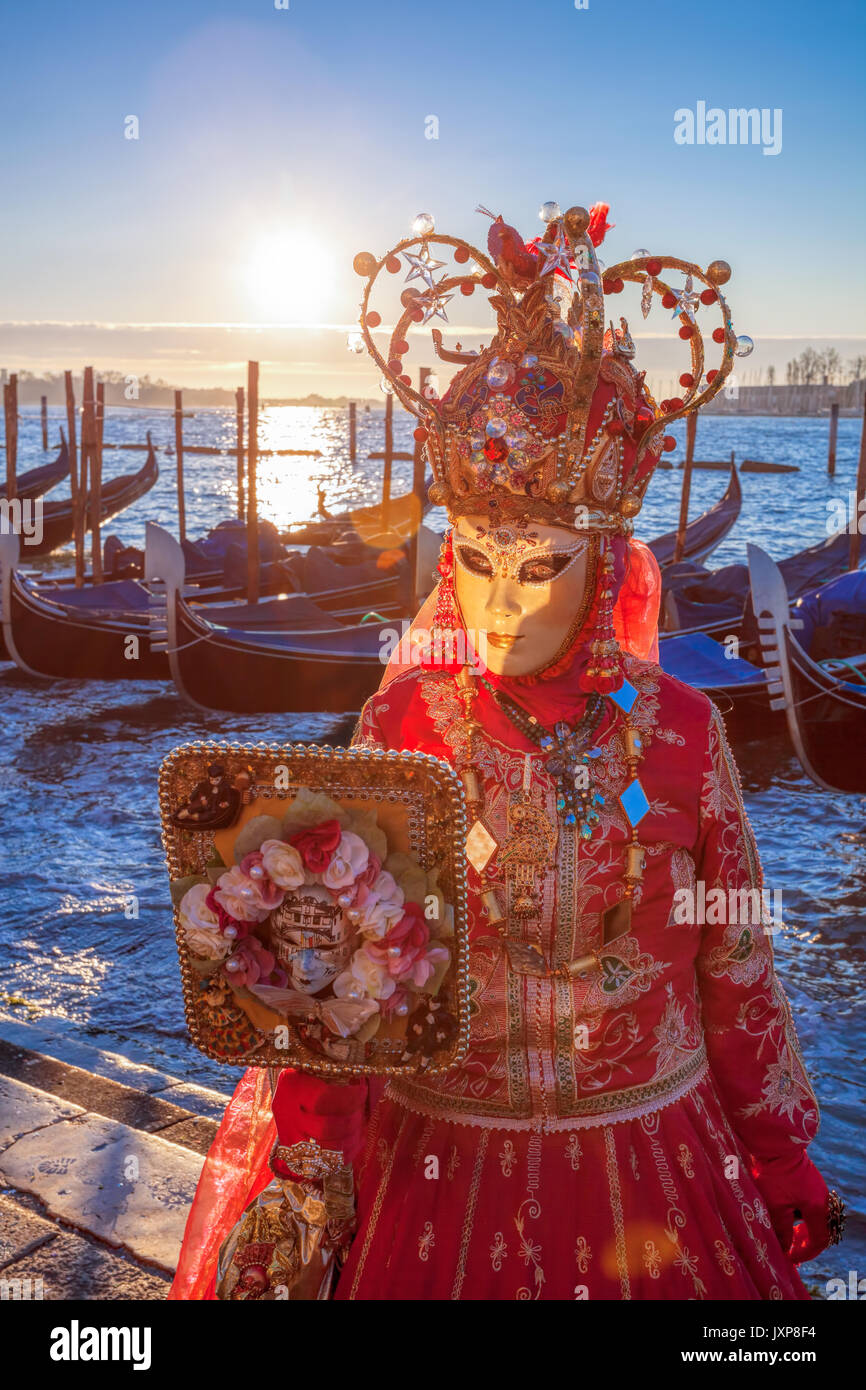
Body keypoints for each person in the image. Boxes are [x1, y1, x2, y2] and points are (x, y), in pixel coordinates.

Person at [170, 201, 842, 1300]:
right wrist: (311, 1171)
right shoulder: (404, 727)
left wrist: (772, 1151)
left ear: (602, 567)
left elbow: (736, 968)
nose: (496, 605)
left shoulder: (681, 729)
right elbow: (336, 978)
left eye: (537, 567)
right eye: (473, 561)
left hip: (655, 1171)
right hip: (438, 1171)